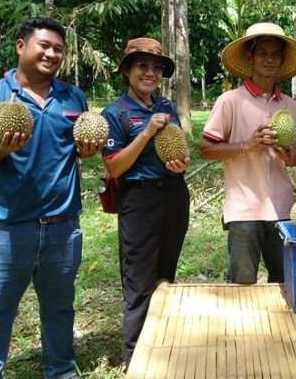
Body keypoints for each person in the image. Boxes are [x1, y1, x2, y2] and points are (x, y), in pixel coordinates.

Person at [0, 16, 105, 379]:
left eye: (58, 49)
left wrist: (88, 150)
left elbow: (75, 150)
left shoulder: (73, 96)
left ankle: (61, 370)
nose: (51, 54)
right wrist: (0, 147)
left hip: (62, 224)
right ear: (22, 46)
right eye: (44, 46)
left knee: (59, 307)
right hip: (6, 227)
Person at [100, 38, 190, 369]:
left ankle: (163, 345)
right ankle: (135, 359)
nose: (150, 73)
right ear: (126, 70)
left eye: (156, 67)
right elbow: (114, 166)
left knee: (166, 275)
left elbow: (179, 148)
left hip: (175, 194)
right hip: (139, 199)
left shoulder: (166, 107)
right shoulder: (116, 112)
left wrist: (182, 160)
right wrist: (146, 133)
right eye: (142, 65)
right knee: (139, 280)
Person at [199, 22, 296, 284]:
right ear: (251, 57)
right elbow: (205, 149)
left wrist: (292, 157)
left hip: (282, 207)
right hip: (244, 209)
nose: (269, 59)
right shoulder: (230, 101)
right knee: (241, 284)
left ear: (281, 60)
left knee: (285, 283)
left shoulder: (288, 105)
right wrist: (246, 145)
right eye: (263, 53)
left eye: (275, 54)